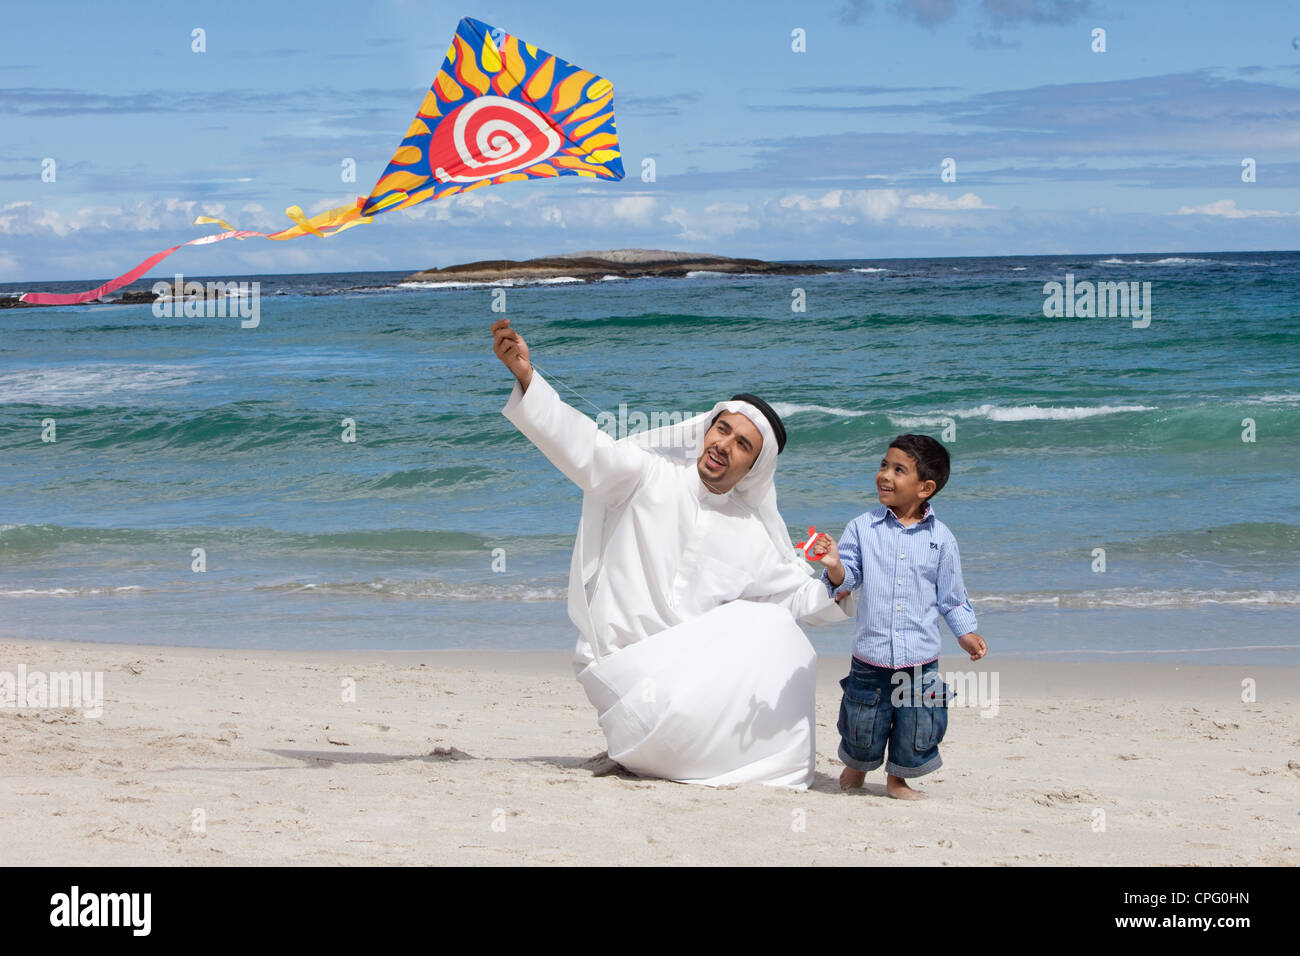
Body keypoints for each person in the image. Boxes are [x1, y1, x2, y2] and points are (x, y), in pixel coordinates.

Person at [491, 318, 854, 789]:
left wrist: (838, 573)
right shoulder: (646, 475)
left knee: (779, 629)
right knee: (764, 624)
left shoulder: (753, 534)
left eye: (742, 444)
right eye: (721, 429)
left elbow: (804, 602)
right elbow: (581, 445)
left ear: (754, 467)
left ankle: (709, 758)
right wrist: (527, 378)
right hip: (626, 686)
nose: (724, 444)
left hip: (689, 696)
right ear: (706, 428)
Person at [812, 434, 988, 800]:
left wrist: (966, 633)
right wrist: (833, 567)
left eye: (898, 470)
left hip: (919, 658)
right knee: (863, 720)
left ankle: (898, 781)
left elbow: (952, 597)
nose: (884, 475)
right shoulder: (862, 527)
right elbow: (849, 578)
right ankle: (856, 766)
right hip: (870, 656)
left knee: (917, 723)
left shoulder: (942, 539)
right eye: (883, 465)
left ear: (925, 487)